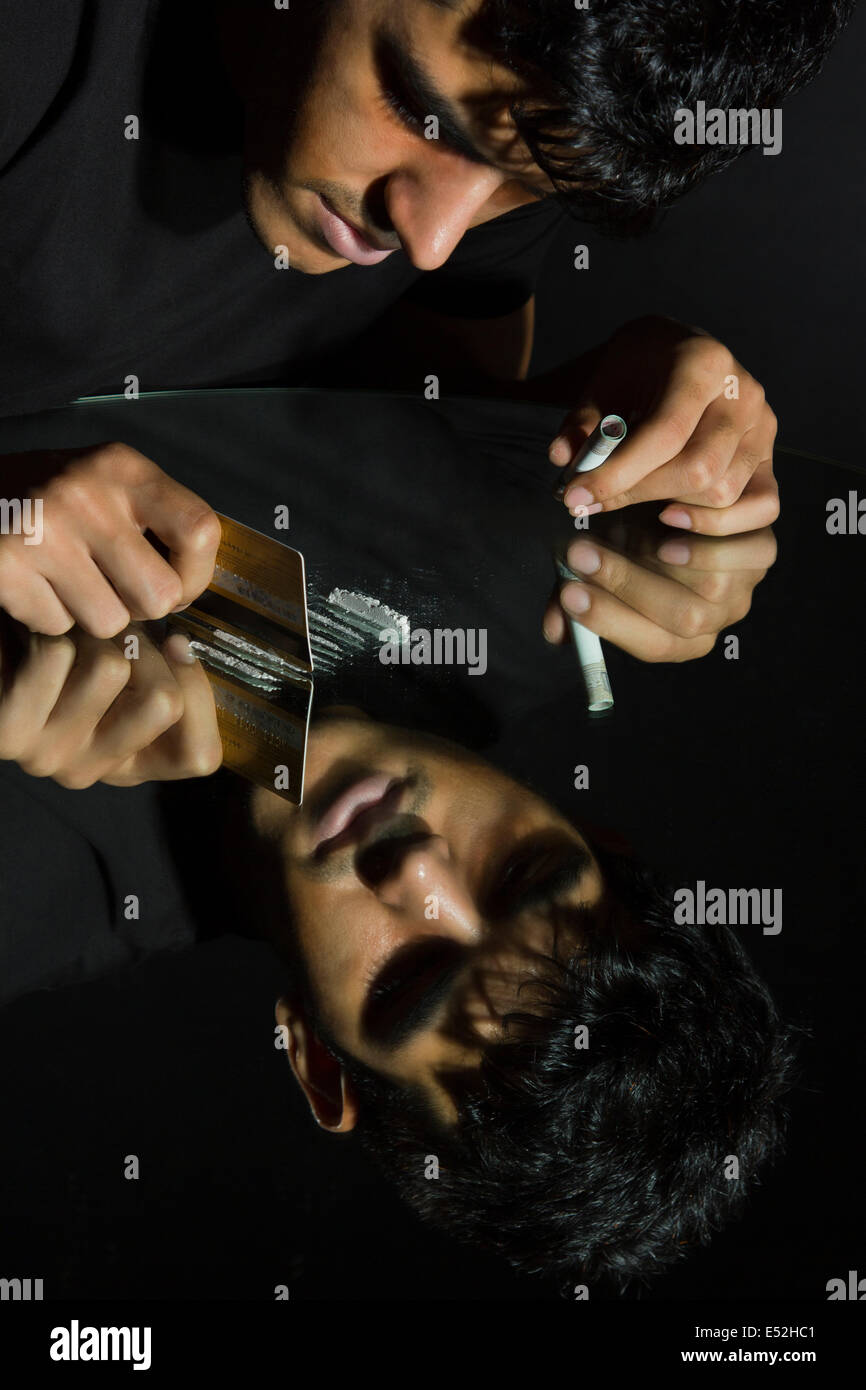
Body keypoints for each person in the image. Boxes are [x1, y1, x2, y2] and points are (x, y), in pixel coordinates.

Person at [0, 0, 854, 643]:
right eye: (415, 106)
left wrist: (603, 447)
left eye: (531, 188)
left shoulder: (528, 123)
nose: (432, 236)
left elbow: (398, 425)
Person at [242, 706, 796, 1291]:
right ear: (589, 833)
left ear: (320, 1061)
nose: (421, 869)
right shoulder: (543, 624)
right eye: (521, 876)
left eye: (413, 976)